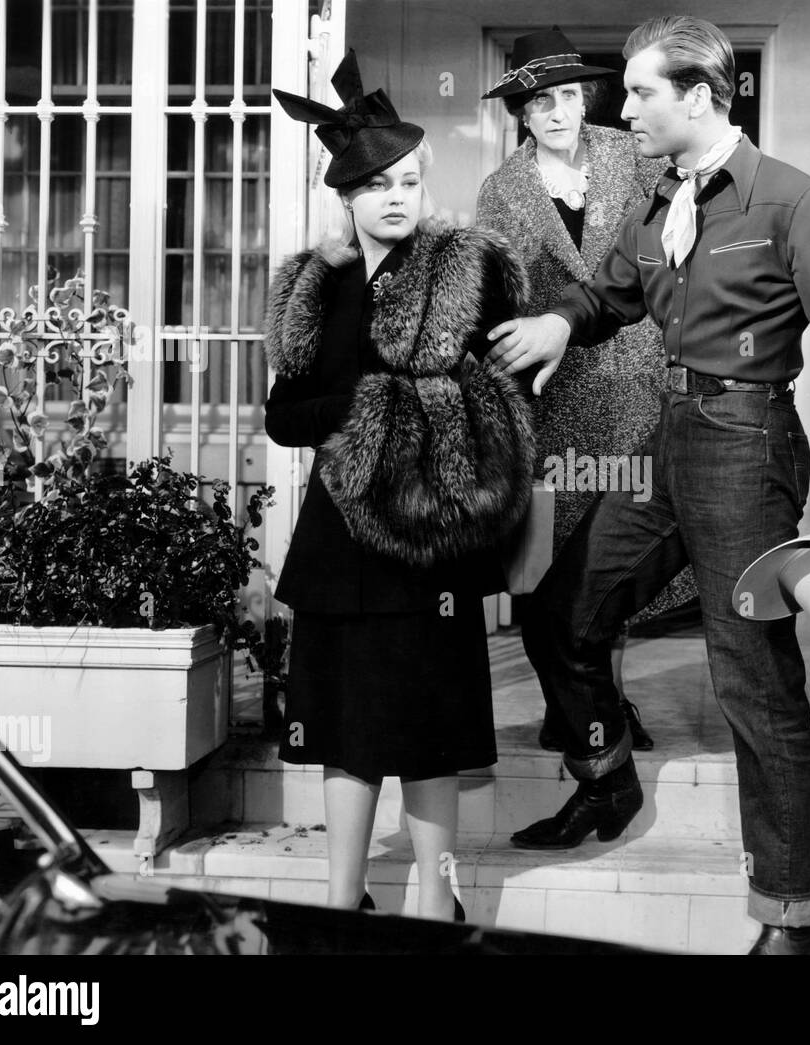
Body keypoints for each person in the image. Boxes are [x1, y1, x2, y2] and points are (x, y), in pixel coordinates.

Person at [486, 16, 810, 955]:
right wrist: (559, 325)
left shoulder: (794, 203)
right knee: (563, 606)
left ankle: (793, 920)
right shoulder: (664, 201)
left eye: (639, 92)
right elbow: (608, 295)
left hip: (745, 442)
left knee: (753, 682)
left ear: (700, 97)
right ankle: (605, 773)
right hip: (668, 436)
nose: (620, 107)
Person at [263, 52, 534, 921]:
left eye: (409, 181)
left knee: (430, 730)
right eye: (375, 184)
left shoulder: (468, 268)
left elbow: (505, 400)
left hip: (431, 539)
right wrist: (365, 404)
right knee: (347, 728)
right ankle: (343, 896)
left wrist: (392, 418)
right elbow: (283, 414)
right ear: (346, 196)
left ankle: (435, 900)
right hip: (340, 545)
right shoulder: (319, 285)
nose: (395, 198)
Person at [477, 29, 697, 753]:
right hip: (554, 390)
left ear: (585, 98)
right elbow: (495, 297)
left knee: (617, 559)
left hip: (634, 378)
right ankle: (567, 701)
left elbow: (675, 228)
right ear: (521, 113)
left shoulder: (629, 152)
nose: (557, 114)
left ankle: (610, 700)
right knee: (560, 551)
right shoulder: (502, 189)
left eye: (568, 97)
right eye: (540, 103)